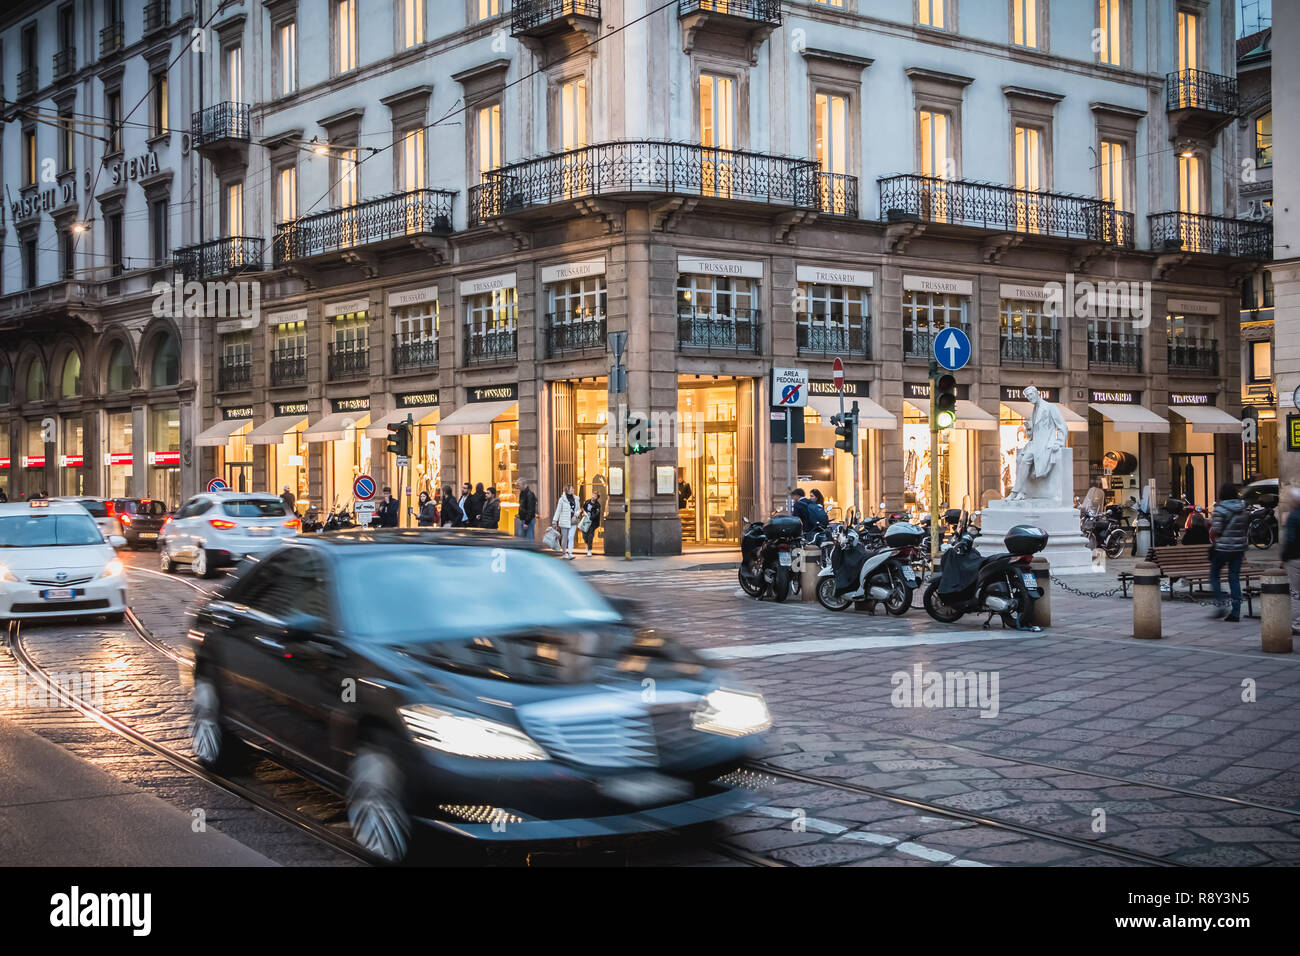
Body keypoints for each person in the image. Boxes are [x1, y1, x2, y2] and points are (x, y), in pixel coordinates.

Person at [1208, 482, 1249, 622]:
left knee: (1214, 574)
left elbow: (1217, 530)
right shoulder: (1242, 508)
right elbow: (1245, 526)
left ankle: (1220, 603)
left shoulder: (1220, 509)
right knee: (1234, 578)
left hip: (1224, 547)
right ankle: (1236, 612)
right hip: (1239, 548)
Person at [1283, 488, 1300, 635]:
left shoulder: (1293, 516)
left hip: (1295, 558)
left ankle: (1296, 624)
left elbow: (1290, 539)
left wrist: (1284, 557)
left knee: (1295, 592)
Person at [551, 483, 580, 559]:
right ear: (567, 490)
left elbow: (578, 509)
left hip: (573, 521)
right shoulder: (562, 499)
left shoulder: (576, 498)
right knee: (565, 538)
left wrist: (575, 515)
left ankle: (570, 552)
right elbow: (558, 510)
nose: (573, 490)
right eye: (571, 489)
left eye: (573, 488)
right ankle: (564, 552)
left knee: (571, 537)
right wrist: (554, 521)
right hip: (564, 521)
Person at [581, 490, 603, 557]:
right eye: (593, 495)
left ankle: (589, 550)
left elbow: (597, 513)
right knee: (584, 535)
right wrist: (583, 513)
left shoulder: (597, 505)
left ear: (597, 498)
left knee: (590, 535)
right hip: (585, 521)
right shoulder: (587, 502)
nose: (593, 496)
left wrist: (591, 517)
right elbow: (583, 508)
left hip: (593, 522)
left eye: (595, 496)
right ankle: (587, 544)